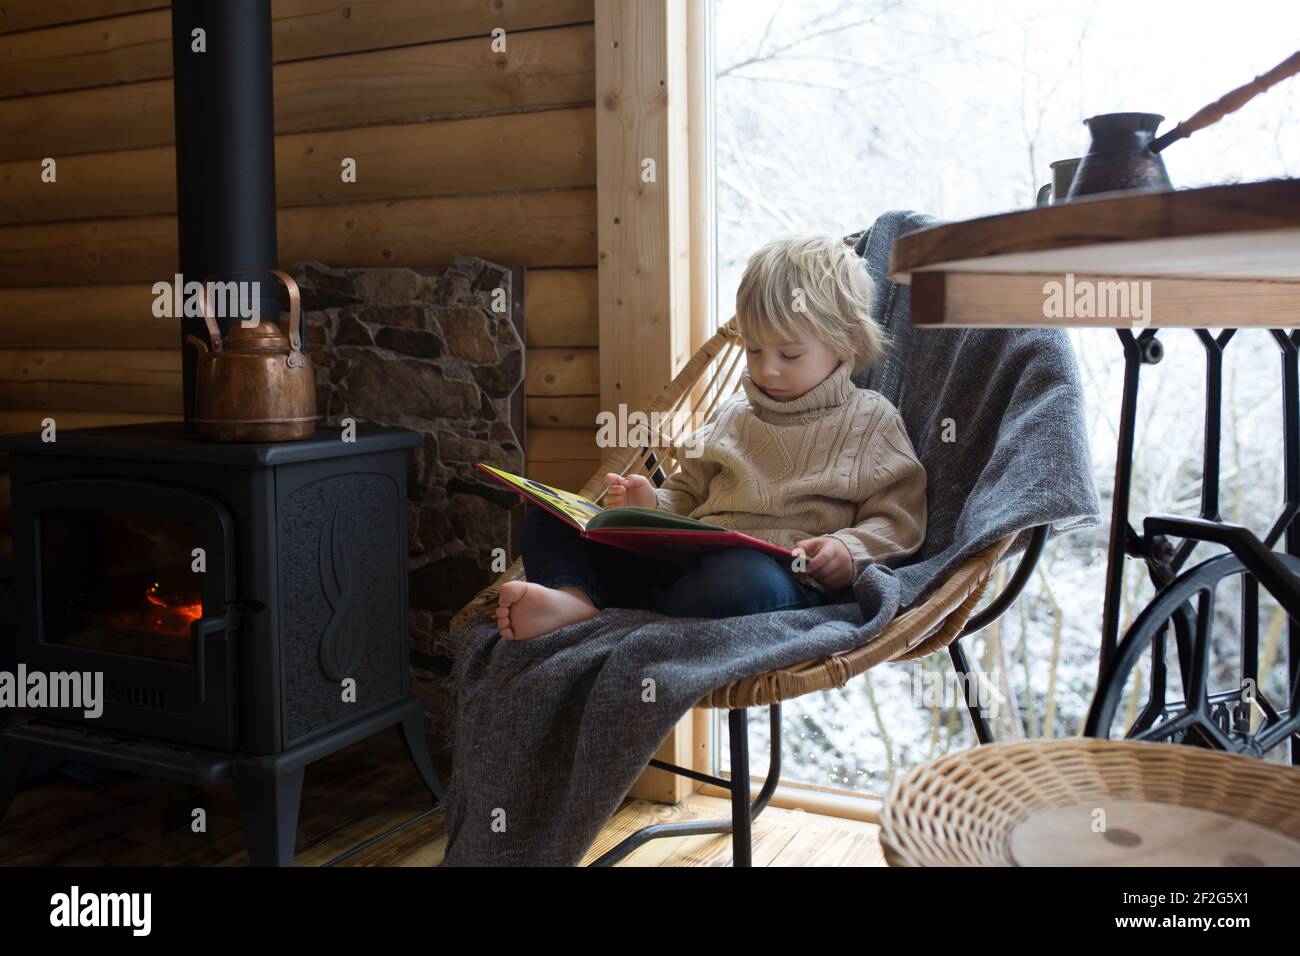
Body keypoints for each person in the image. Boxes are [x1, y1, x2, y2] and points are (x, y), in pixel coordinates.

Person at [496, 233, 928, 641]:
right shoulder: (732, 415)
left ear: (847, 343)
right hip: (682, 567)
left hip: (785, 579)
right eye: (754, 350)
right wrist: (649, 503)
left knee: (739, 579)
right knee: (549, 518)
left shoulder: (870, 419)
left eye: (789, 354)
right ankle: (574, 600)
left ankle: (617, 609)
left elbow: (900, 519)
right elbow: (684, 497)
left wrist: (848, 550)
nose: (766, 369)